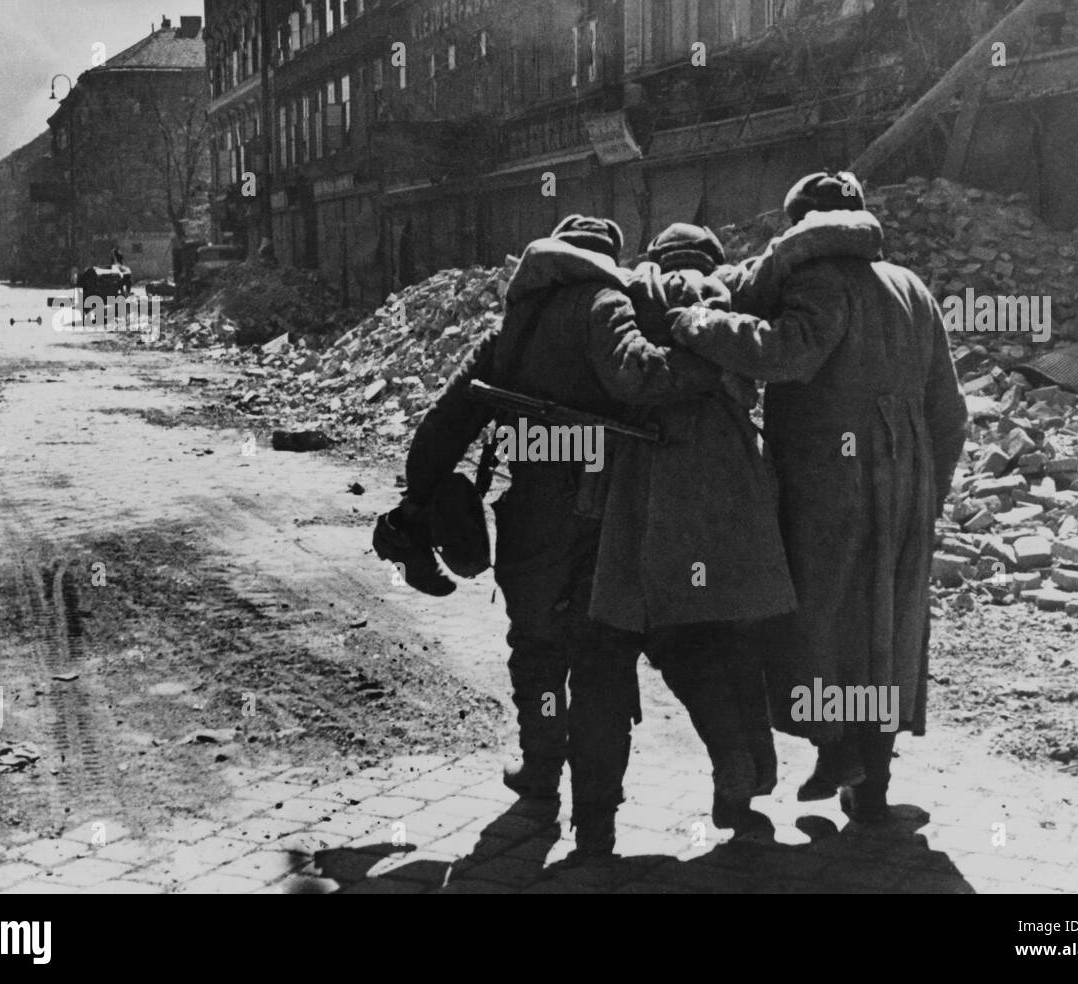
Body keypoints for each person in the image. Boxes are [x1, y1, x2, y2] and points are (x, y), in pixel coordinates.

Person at [391, 215, 732, 857]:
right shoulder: (605, 303)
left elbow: (445, 424)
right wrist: (705, 363)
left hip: (527, 515)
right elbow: (640, 377)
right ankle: (596, 818)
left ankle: (542, 768)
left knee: (538, 648)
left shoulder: (514, 323)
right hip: (599, 512)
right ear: (609, 259)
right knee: (601, 658)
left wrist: (419, 495)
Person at [671, 171, 968, 821]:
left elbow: (786, 352)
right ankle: (872, 786)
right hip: (906, 488)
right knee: (885, 634)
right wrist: (929, 492)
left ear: (799, 224)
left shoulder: (817, 277)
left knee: (819, 626)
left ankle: (835, 748)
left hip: (829, 487)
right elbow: (951, 411)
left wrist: (698, 325)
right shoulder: (912, 288)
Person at [589, 222, 793, 830]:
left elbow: (631, 376)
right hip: (736, 476)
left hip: (667, 478)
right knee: (737, 631)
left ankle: (733, 758)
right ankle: (749, 774)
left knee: (677, 631)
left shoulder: (637, 295)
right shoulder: (729, 296)